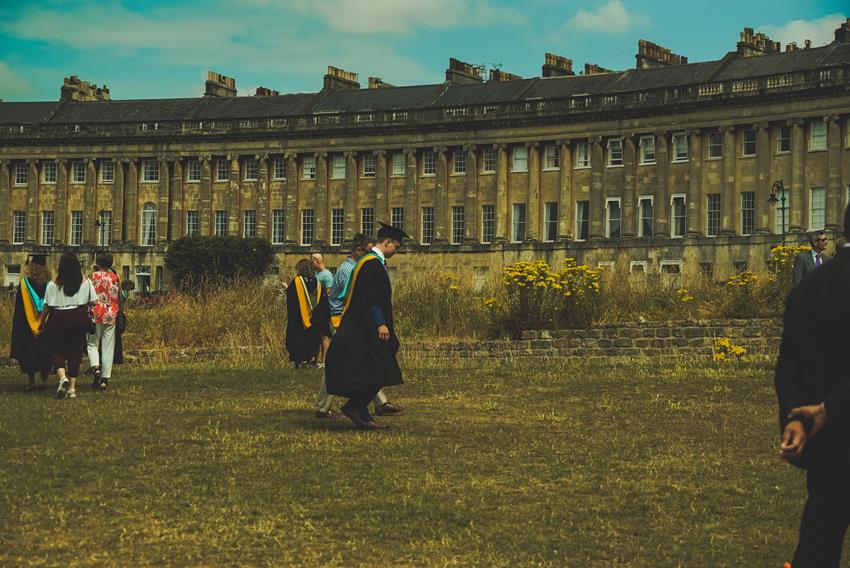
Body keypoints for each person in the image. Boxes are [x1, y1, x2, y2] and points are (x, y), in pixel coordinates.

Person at [775, 204, 850, 567]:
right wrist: (832, 408)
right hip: (830, 420)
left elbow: (789, 363)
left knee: (819, 545)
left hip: (827, 445)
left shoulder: (808, 290)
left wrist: (794, 419)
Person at [325, 223, 408, 430]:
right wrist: (380, 323)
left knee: (374, 368)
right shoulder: (371, 264)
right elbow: (371, 298)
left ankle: (361, 411)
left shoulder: (369, 262)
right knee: (379, 367)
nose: (395, 250)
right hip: (368, 327)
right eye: (395, 246)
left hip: (365, 325)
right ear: (387, 242)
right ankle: (356, 407)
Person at [38, 252, 97, 399]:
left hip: (58, 318)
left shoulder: (53, 285)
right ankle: (72, 388)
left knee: (55, 350)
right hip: (79, 318)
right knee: (75, 352)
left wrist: (41, 322)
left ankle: (62, 377)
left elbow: (47, 306)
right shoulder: (86, 282)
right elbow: (94, 301)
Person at [9, 254, 52, 390]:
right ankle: (44, 380)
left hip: (27, 326)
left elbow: (20, 307)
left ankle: (31, 382)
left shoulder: (24, 284)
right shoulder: (50, 284)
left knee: (28, 351)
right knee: (45, 351)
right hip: (46, 324)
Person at [86, 252, 122, 391]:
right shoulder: (115, 278)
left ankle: (95, 368)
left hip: (94, 314)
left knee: (92, 343)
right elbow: (119, 298)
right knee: (108, 347)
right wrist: (121, 311)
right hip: (110, 314)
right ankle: (105, 379)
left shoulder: (91, 277)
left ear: (98, 263)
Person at [285, 259, 321, 367]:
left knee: (297, 338)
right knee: (311, 339)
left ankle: (298, 361)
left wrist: (286, 289)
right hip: (313, 318)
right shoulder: (317, 283)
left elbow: (291, 298)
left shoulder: (297, 282)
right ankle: (309, 360)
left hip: (298, 319)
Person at [309, 253, 334, 368]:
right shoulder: (317, 274)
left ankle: (324, 361)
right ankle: (316, 360)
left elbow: (329, 293)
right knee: (317, 334)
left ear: (318, 261)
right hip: (317, 308)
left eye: (312, 262)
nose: (311, 264)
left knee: (325, 334)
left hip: (324, 308)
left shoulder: (327, 275)